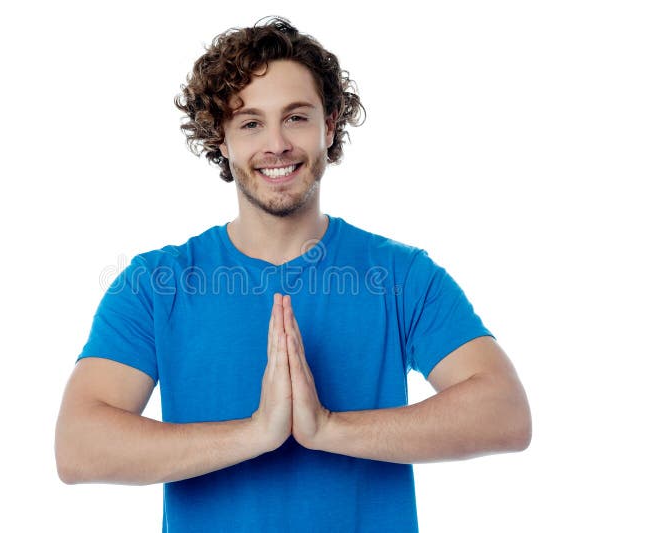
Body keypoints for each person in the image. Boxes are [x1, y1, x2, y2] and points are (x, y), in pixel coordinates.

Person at [55, 16, 531, 532]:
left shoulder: (400, 275)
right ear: (222, 138)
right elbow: (78, 446)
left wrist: (326, 428)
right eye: (251, 122)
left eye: (297, 117)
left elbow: (505, 413)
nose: (276, 144)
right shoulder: (156, 285)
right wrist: (256, 433)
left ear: (329, 126)